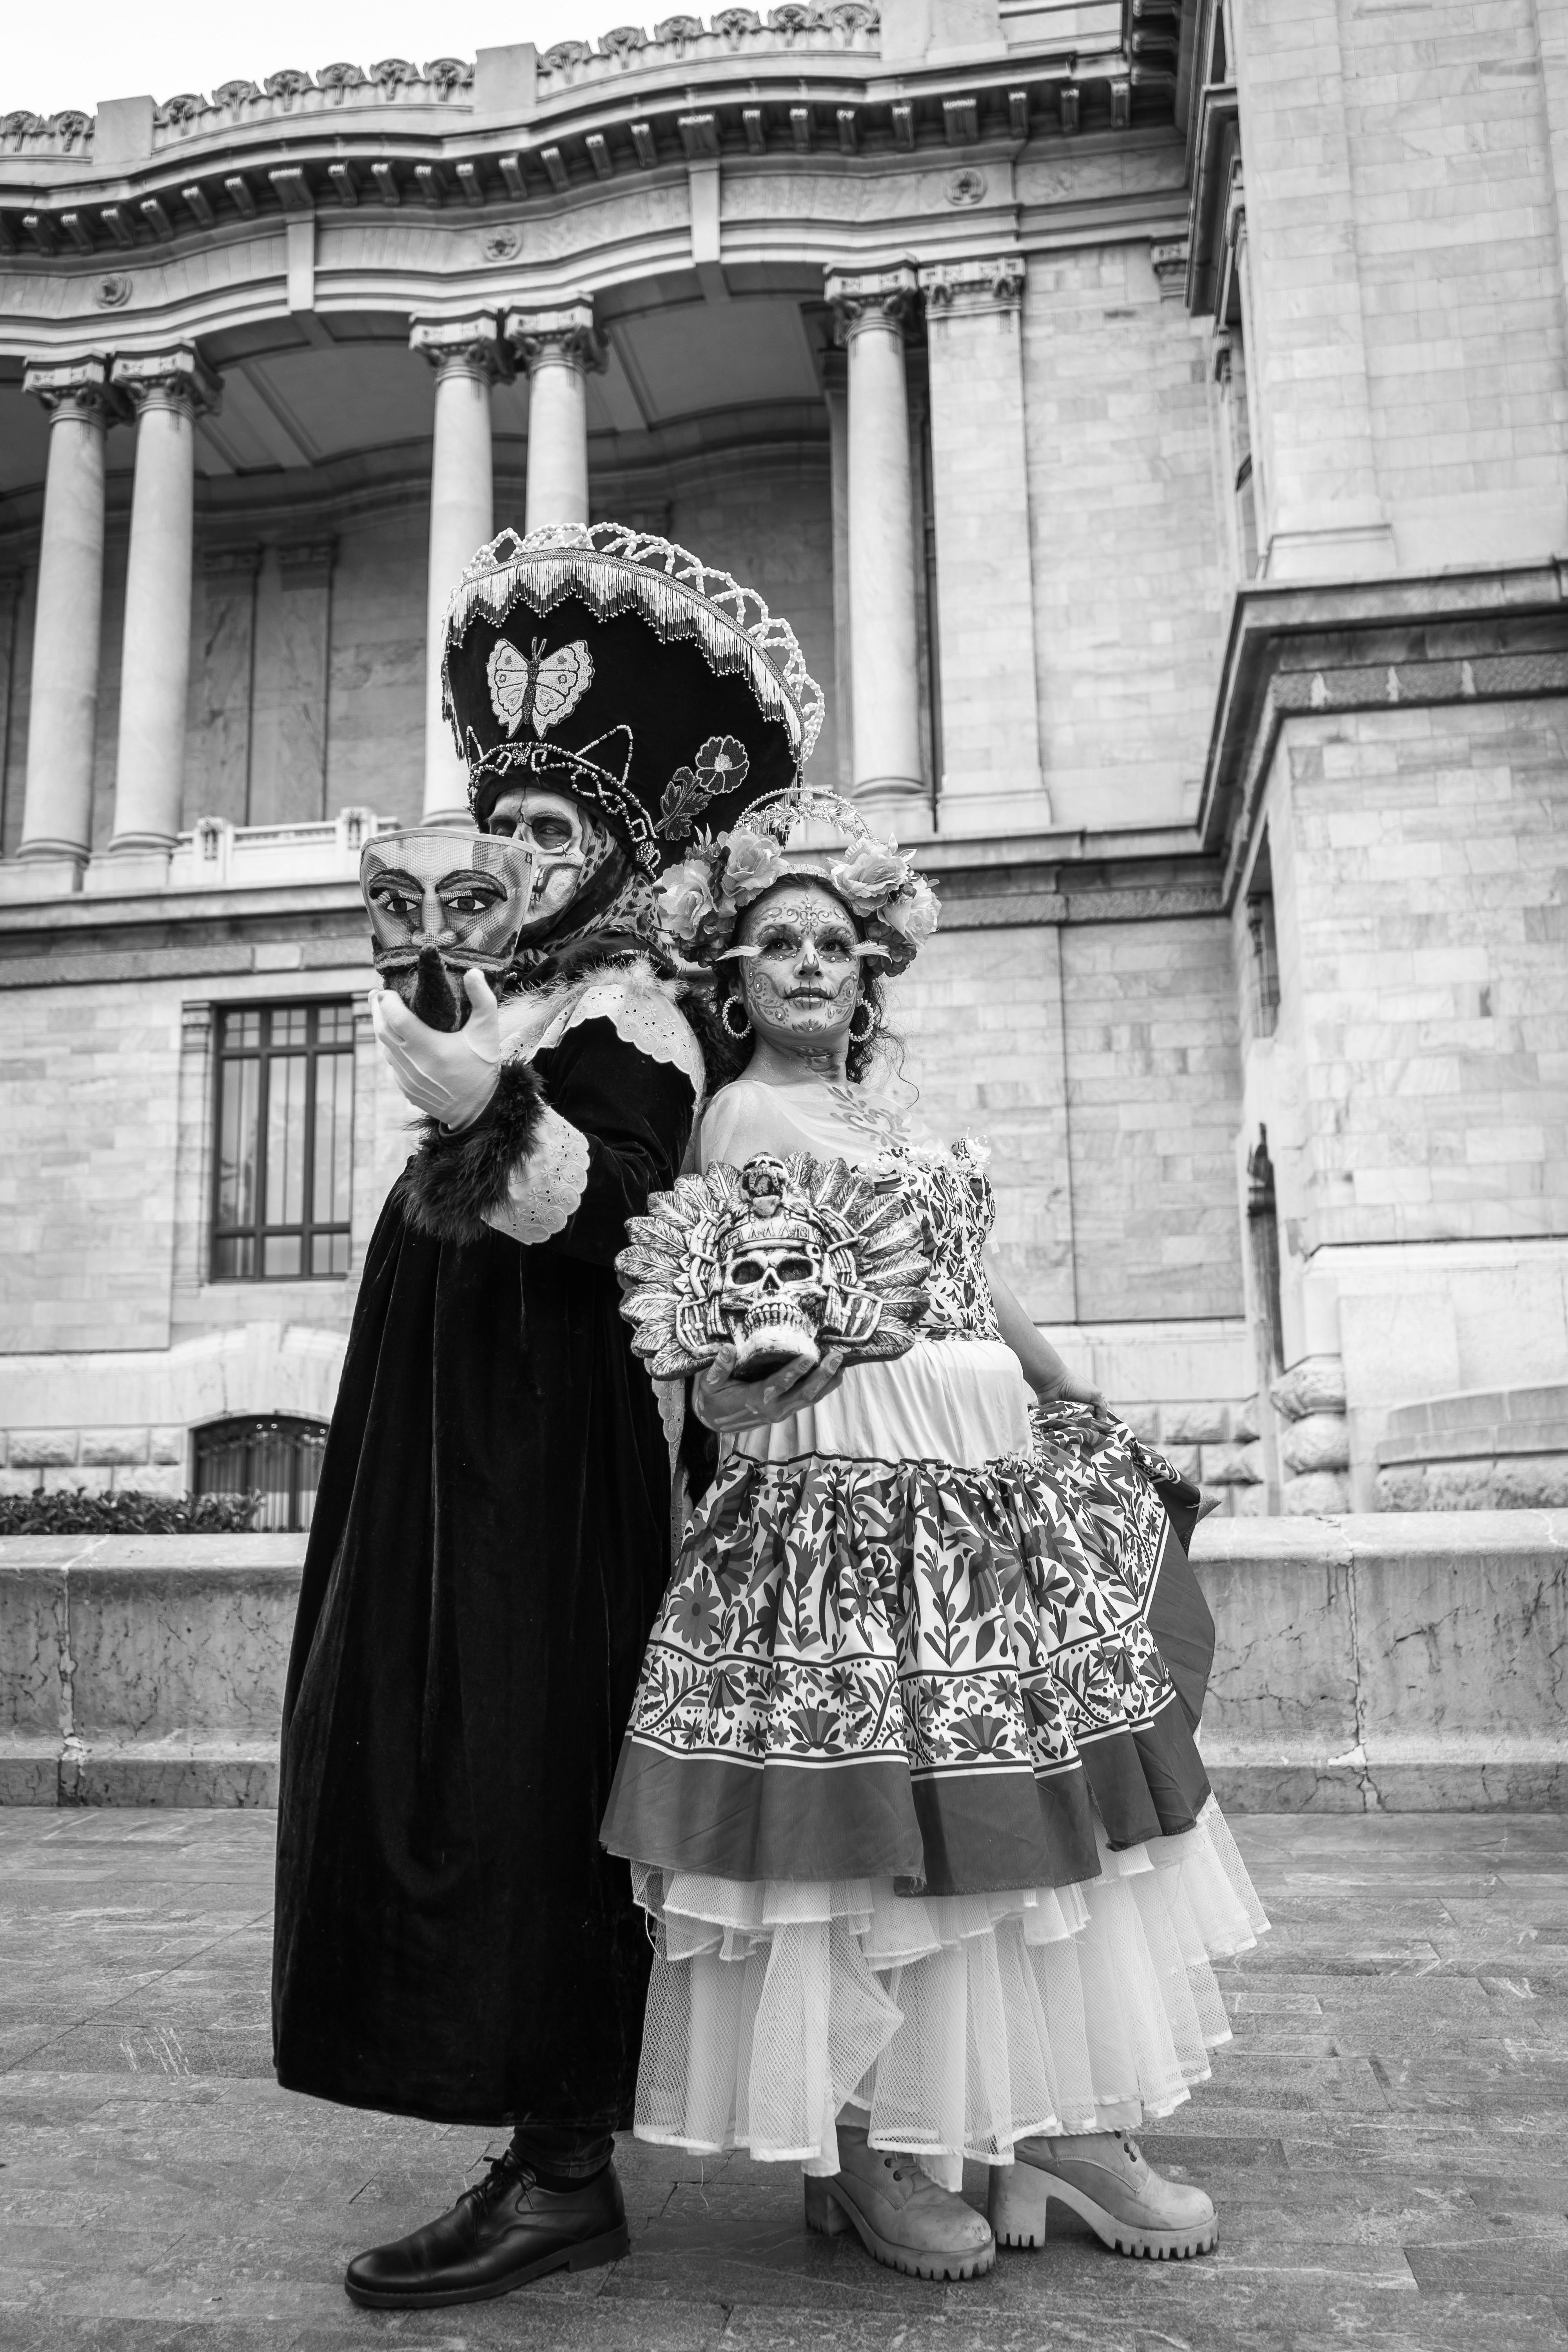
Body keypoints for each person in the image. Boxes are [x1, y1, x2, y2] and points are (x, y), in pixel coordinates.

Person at [601, 786, 1269, 2281]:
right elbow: (741, 1320)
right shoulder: (747, 1115)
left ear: (871, 967)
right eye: (778, 944)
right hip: (857, 1488)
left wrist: (1070, 1382)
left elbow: (963, 1266)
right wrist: (746, 1392)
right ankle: (870, 2148)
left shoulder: (890, 1113)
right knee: (881, 1828)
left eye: (836, 943)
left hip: (985, 1488)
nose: (812, 966)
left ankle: (1062, 2116)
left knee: (1044, 1807)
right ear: (734, 980)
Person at [271, 521, 824, 2308]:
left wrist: (479, 1098)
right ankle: (522, 2123)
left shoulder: (641, 1018)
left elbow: (608, 1211)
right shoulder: (510, 995)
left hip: (546, 1458)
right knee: (438, 1748)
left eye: (552, 835)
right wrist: (458, 1044)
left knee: (526, 1766)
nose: (517, 858)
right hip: (445, 1440)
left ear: (619, 859)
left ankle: (566, 2158)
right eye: (499, 831)